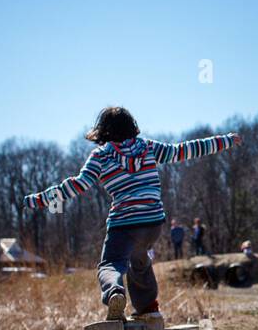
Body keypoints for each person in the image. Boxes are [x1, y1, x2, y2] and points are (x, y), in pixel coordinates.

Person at [23, 107, 241, 319]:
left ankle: (114, 293)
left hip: (124, 223)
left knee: (111, 264)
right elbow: (184, 150)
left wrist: (40, 199)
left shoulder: (100, 156)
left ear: (103, 130)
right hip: (153, 223)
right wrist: (226, 140)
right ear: (131, 126)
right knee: (139, 260)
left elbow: (78, 184)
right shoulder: (148, 147)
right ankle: (148, 307)